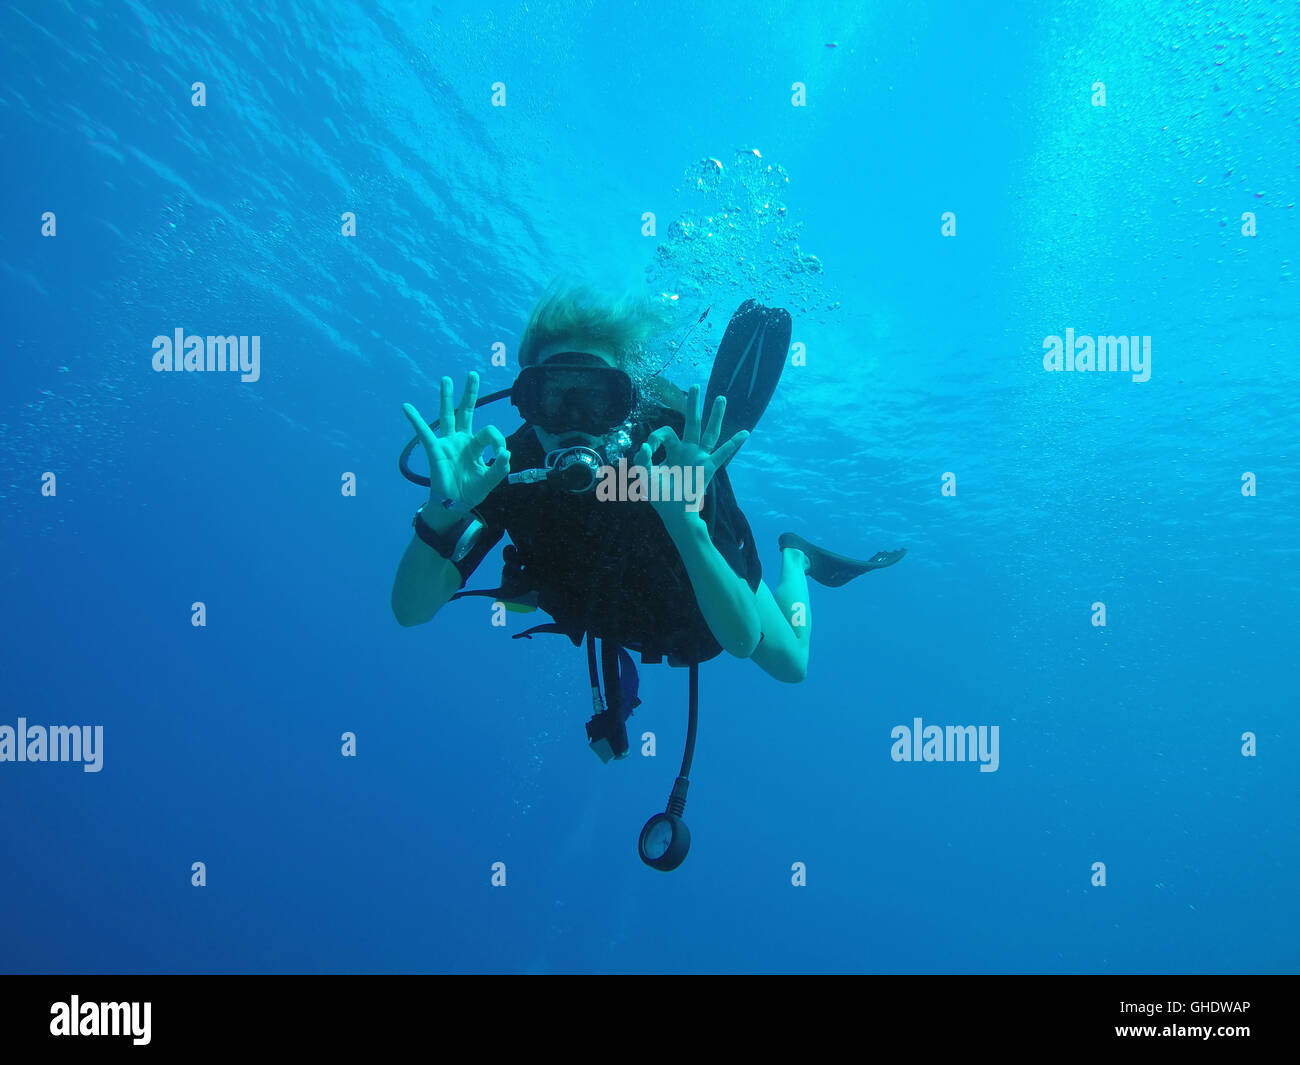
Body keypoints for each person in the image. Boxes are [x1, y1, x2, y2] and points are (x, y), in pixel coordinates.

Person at [391, 285, 905, 688]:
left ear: (628, 401)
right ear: (524, 401)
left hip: (704, 605)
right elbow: (411, 612)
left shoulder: (671, 454)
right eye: (551, 396)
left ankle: (795, 558)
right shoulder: (501, 471)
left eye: (598, 399)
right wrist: (445, 507)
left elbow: (742, 639)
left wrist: (685, 520)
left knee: (791, 665)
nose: (573, 421)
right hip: (618, 611)